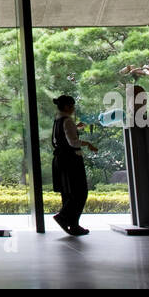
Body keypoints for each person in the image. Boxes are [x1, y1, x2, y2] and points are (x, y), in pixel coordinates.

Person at [51, 95, 98, 235]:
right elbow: (73, 142)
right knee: (80, 192)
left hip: (61, 160)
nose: (73, 109)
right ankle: (65, 217)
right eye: (72, 106)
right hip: (71, 159)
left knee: (68, 192)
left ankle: (72, 224)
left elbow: (61, 138)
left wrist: (75, 127)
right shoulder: (67, 121)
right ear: (67, 107)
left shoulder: (58, 120)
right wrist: (88, 144)